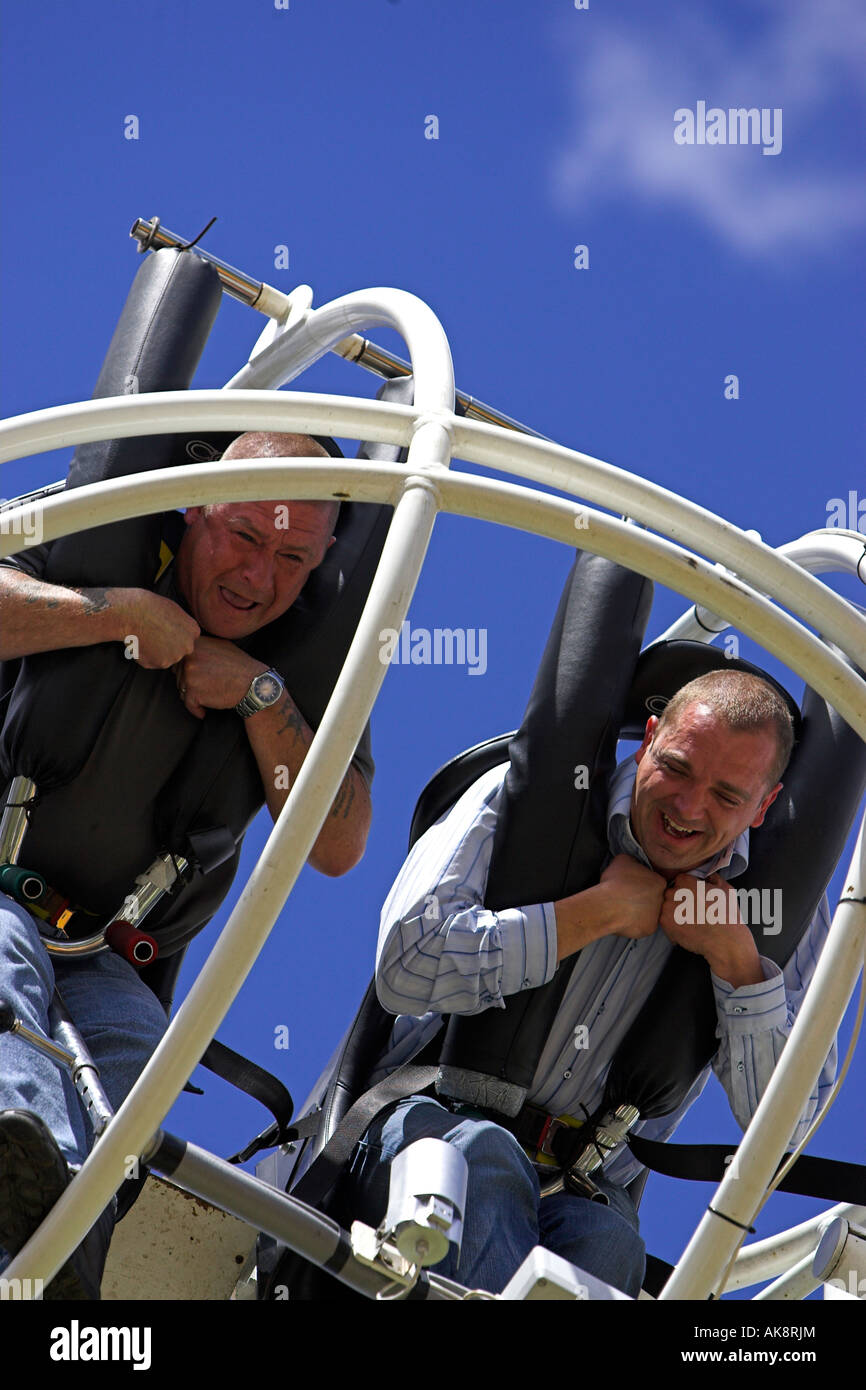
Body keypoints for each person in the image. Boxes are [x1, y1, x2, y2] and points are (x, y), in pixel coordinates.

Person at [0, 430, 372, 1297]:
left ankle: (55, 1280)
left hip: (103, 958)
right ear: (195, 504)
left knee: (133, 1088)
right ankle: (22, 1153)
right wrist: (118, 613)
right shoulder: (95, 536)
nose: (260, 577)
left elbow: (338, 840)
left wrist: (259, 693)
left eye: (292, 557)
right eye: (243, 537)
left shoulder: (302, 664)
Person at [331, 670, 836, 1298]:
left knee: (610, 1244)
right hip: (434, 1124)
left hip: (592, 1193)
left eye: (727, 796)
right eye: (676, 768)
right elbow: (407, 965)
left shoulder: (781, 910)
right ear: (649, 738)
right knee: (483, 1163)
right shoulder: (530, 795)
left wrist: (737, 965)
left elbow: (792, 1127)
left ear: (764, 806)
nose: (687, 808)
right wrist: (588, 915)